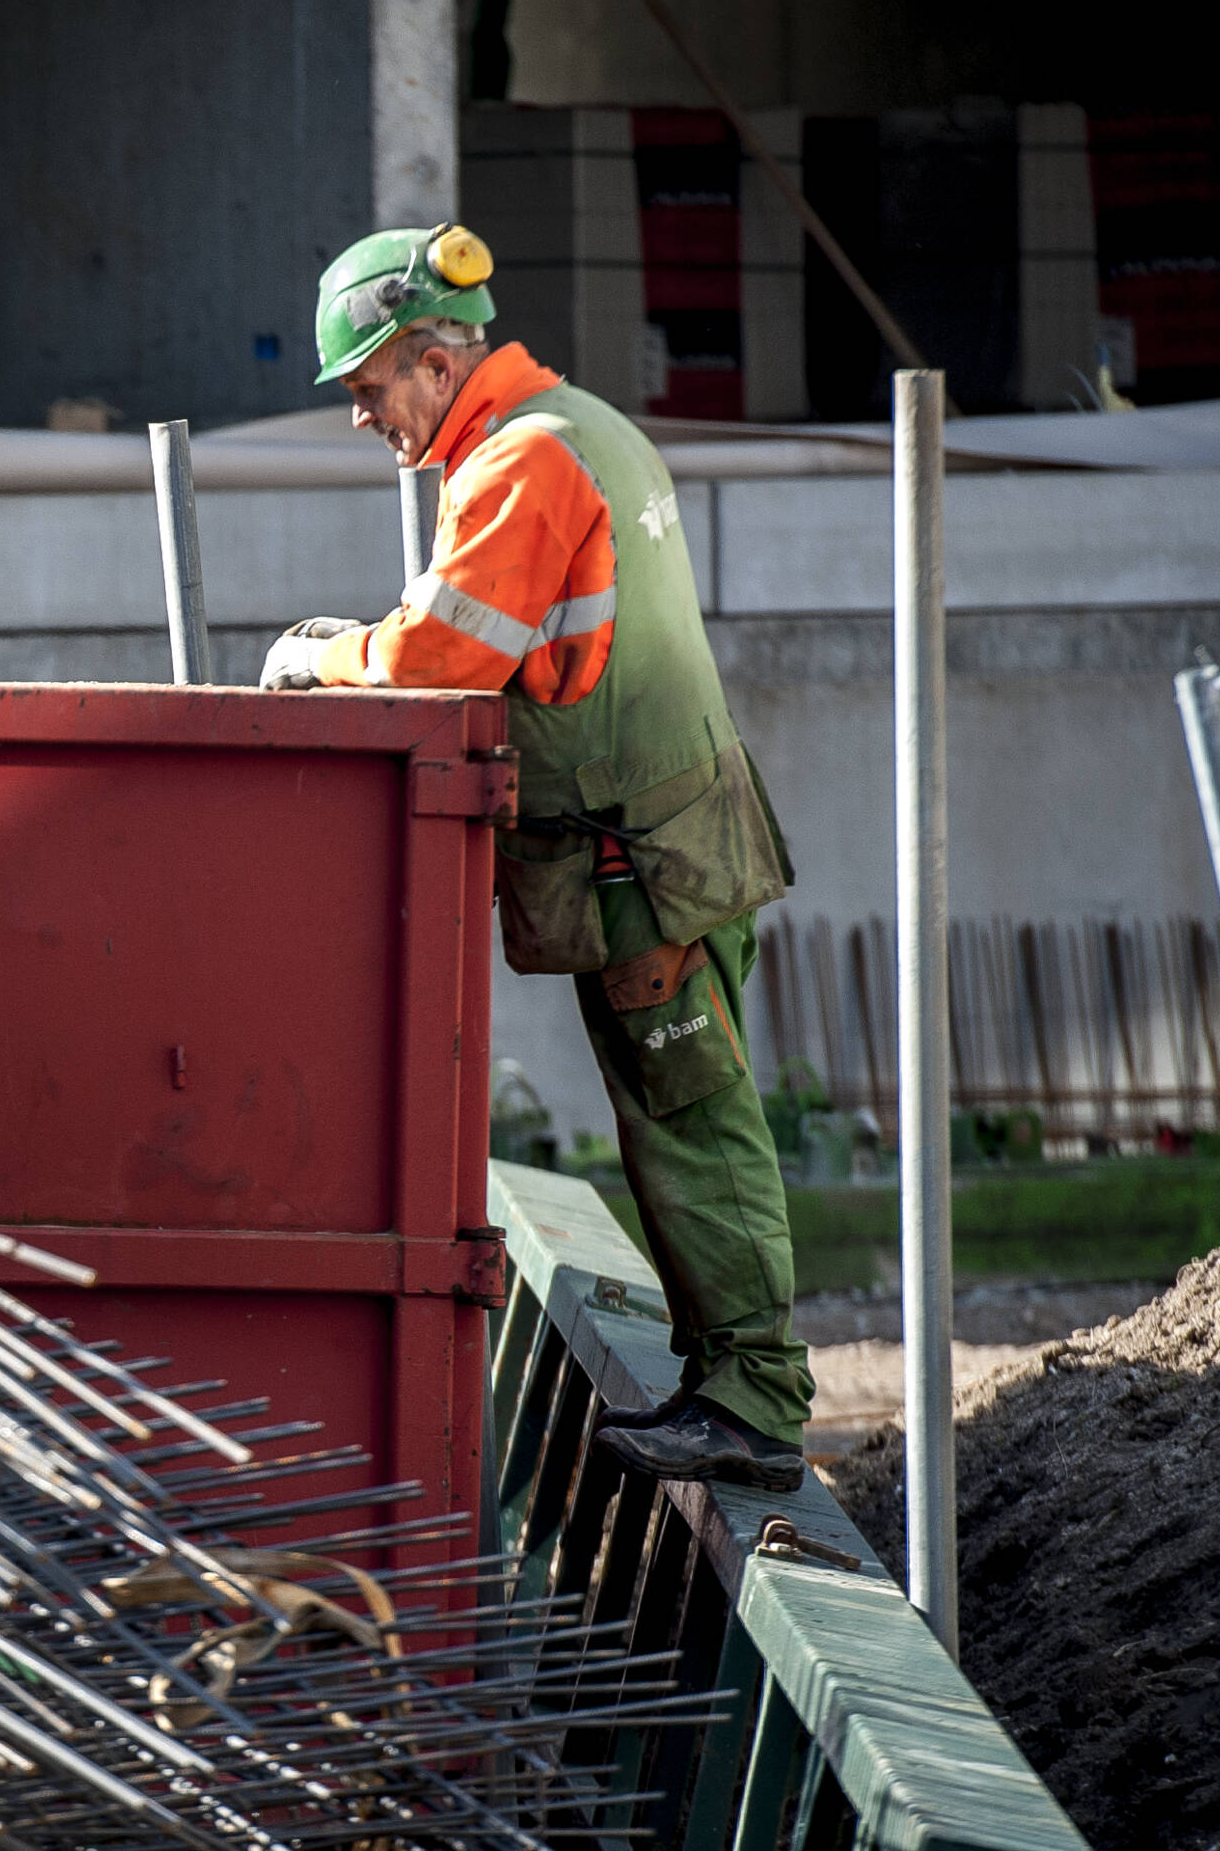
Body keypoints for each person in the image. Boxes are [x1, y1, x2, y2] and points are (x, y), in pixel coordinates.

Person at [262, 224, 812, 1491]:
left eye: (365, 388)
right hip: (668, 843)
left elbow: (440, 659)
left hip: (647, 867)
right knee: (683, 1114)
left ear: (433, 357)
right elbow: (481, 626)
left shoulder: (520, 462)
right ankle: (729, 1385)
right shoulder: (585, 428)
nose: (361, 419)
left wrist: (319, 659)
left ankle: (751, 1407)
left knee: (693, 1119)